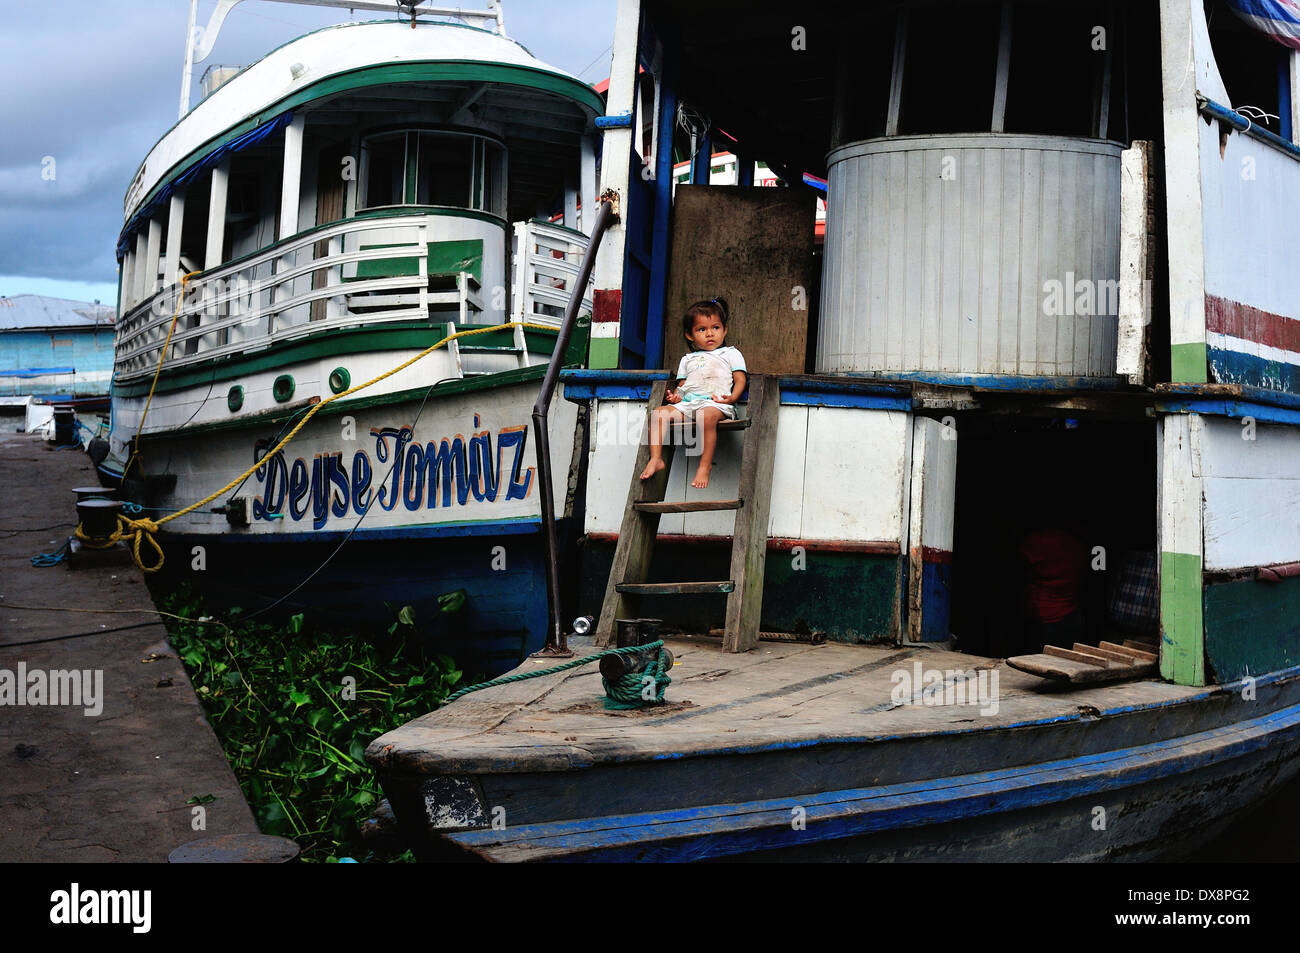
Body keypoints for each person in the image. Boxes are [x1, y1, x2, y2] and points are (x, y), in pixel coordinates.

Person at [639, 298, 747, 489]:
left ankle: (705, 466)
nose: (710, 333)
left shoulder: (730, 353)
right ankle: (656, 459)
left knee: (705, 416)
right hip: (689, 404)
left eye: (715, 327)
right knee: (658, 414)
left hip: (716, 404)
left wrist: (733, 397)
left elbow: (740, 380)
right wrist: (676, 397)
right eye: (702, 329)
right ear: (690, 335)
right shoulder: (687, 359)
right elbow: (683, 385)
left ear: (725, 330)